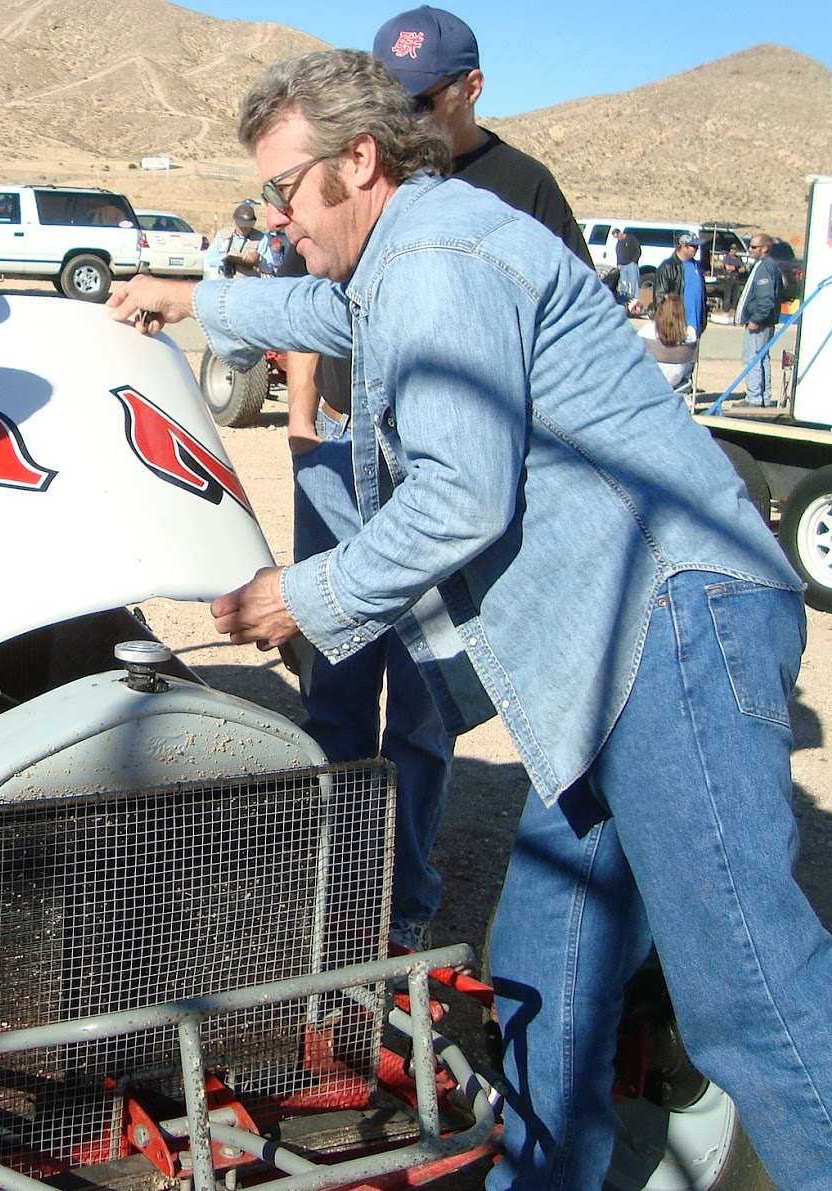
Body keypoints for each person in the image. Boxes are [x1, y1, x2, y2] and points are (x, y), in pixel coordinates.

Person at [106, 47, 832, 1190]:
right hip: (603, 663)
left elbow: (459, 492)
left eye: (283, 192)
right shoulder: (408, 250)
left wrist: (300, 596)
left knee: (747, 986)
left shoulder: (439, 254)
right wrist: (194, 296)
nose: (277, 218)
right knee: (553, 966)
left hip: (669, 629)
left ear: (357, 160)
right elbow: (326, 307)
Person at [279, 4, 595, 954]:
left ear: (472, 90)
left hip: (438, 474)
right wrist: (302, 428)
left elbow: (554, 350)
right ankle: (324, 899)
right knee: (333, 686)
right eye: (385, 102)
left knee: (421, 710)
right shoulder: (351, 173)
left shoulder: (521, 190)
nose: (398, 125)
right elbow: (309, 301)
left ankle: (401, 903)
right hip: (341, 449)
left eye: (418, 101)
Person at [737, 233, 786, 408]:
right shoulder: (766, 266)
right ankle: (764, 397)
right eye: (750, 247)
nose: (750, 250)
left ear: (765, 248)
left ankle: (754, 398)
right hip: (765, 321)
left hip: (760, 323)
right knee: (762, 357)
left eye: (754, 247)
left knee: (753, 358)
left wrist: (756, 319)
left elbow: (766, 300)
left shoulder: (765, 268)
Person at [637, 294, 697, 394]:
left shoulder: (646, 331)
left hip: (650, 381)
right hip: (677, 383)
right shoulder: (690, 333)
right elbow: (689, 366)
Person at [654, 232, 706, 340]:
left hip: (695, 328)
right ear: (683, 246)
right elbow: (660, 298)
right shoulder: (667, 267)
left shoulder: (697, 266)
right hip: (677, 327)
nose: (696, 249)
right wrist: (669, 325)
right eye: (694, 246)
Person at [204, 202, 266, 278]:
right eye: (241, 225)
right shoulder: (222, 234)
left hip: (248, 285)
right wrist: (227, 258)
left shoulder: (261, 238)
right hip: (224, 281)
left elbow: (270, 266)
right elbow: (210, 258)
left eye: (248, 226)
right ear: (234, 221)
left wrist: (258, 258)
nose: (244, 229)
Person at [715, 240, 746, 314]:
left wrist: (734, 268)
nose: (733, 251)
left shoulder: (738, 259)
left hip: (736, 279)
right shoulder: (727, 258)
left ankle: (734, 312)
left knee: (736, 297)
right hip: (729, 278)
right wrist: (737, 268)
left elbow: (743, 269)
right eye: (731, 249)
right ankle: (725, 311)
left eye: (734, 249)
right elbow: (728, 268)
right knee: (727, 297)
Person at [614, 227, 642, 306]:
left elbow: (638, 250)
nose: (617, 238)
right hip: (622, 266)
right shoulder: (618, 244)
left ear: (620, 233)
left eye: (617, 236)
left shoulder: (631, 239)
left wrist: (634, 260)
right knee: (623, 283)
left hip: (631, 265)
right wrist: (618, 264)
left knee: (633, 283)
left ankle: (636, 301)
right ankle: (625, 301)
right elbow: (618, 255)